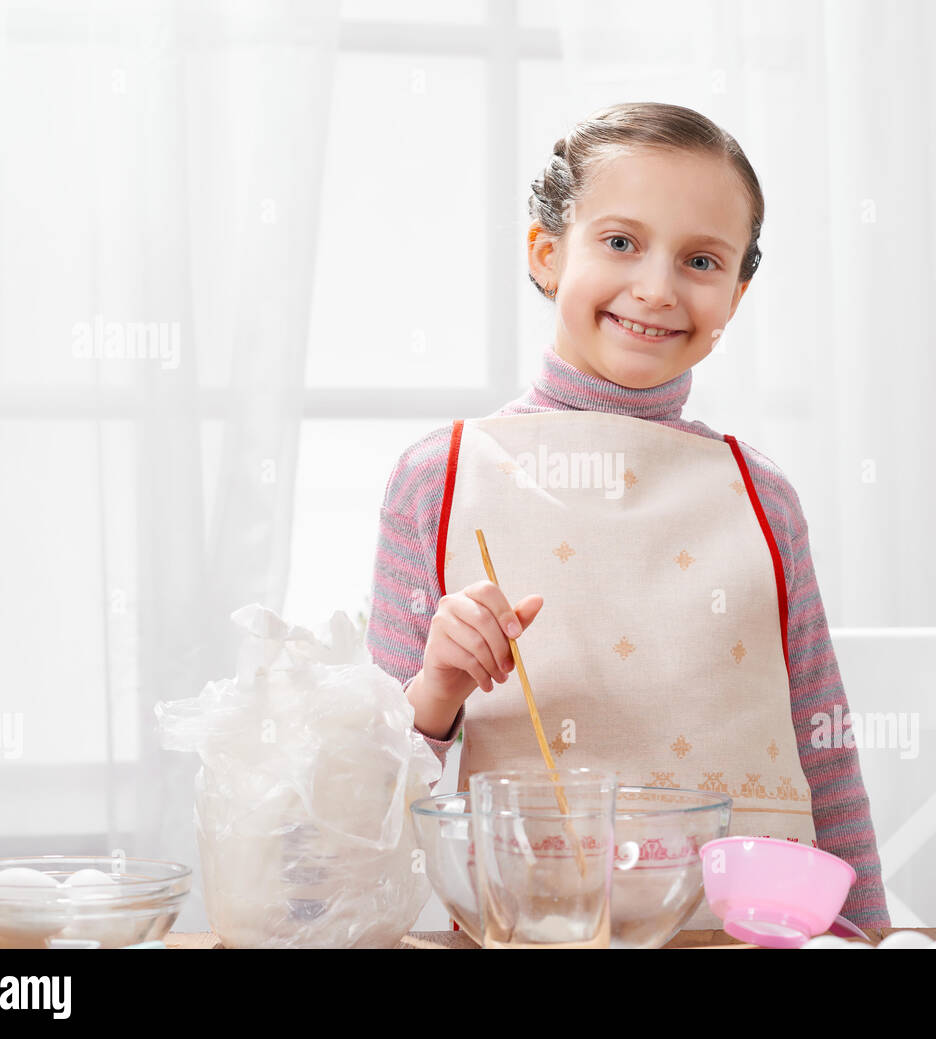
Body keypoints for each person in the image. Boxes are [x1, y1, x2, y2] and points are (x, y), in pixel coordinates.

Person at [367, 101, 890, 930]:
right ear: (547, 253)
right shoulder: (440, 478)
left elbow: (824, 758)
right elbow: (368, 793)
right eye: (620, 242)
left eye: (701, 260)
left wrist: (869, 934)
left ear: (736, 295)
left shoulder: (763, 497)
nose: (656, 288)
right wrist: (436, 692)